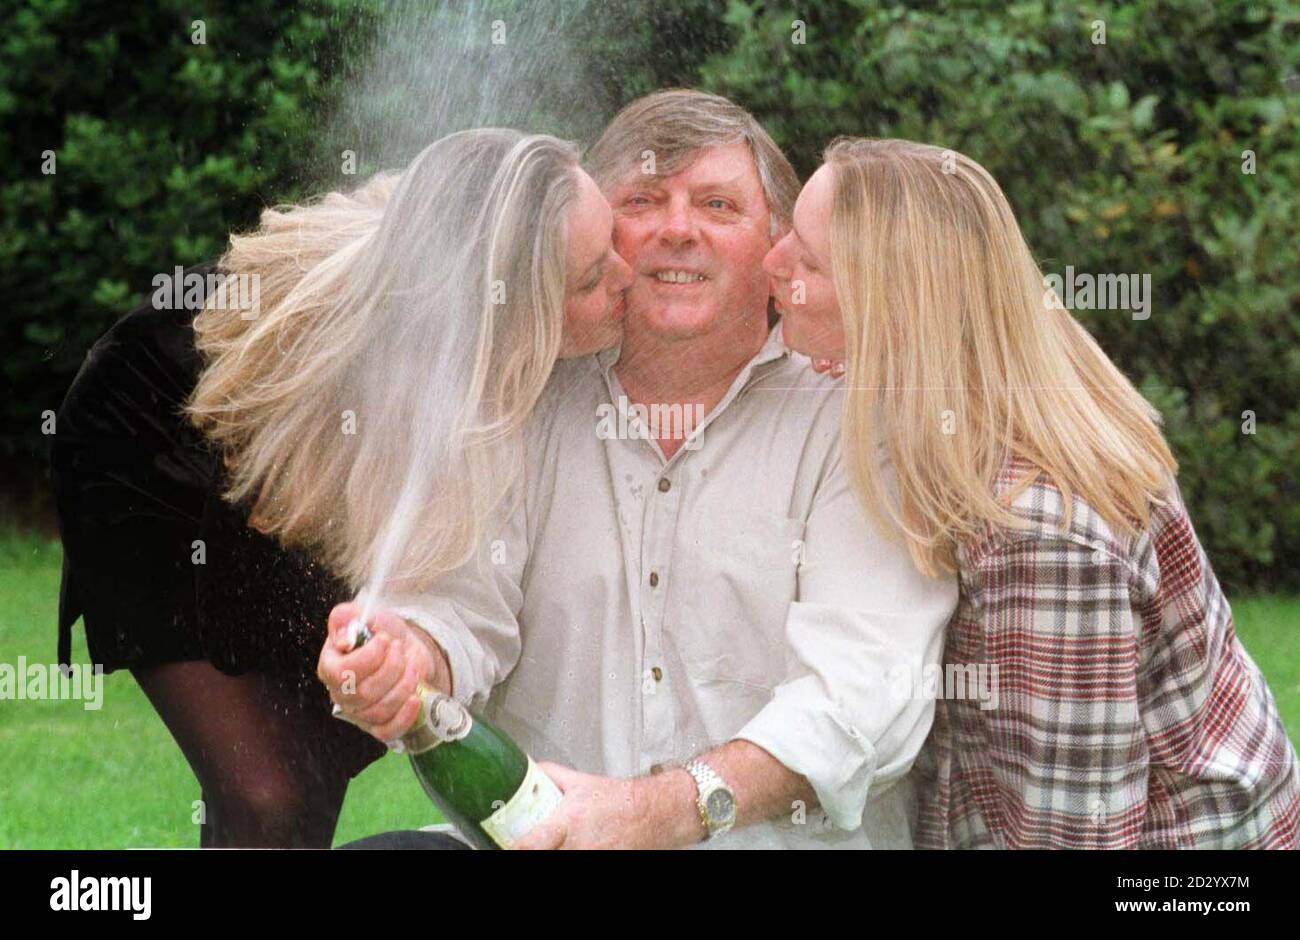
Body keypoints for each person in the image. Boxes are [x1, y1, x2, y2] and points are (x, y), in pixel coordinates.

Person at [322, 90, 958, 849]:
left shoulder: (856, 417)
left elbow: (863, 696)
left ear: (779, 249)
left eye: (718, 205)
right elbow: (462, 607)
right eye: (643, 200)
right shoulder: (525, 402)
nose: (678, 230)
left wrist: (659, 811)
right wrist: (410, 656)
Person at [51, 128, 632, 847]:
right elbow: (293, 509)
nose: (627, 275)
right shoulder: (392, 378)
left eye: (612, 245)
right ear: (516, 315)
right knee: (269, 793)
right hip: (155, 441)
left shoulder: (472, 321)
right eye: (591, 278)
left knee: (320, 752)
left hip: (288, 473)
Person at [764, 136, 1300, 848]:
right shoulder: (963, 413)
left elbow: (1069, 839)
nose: (771, 261)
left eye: (806, 259)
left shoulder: (1040, 534)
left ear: (895, 312)